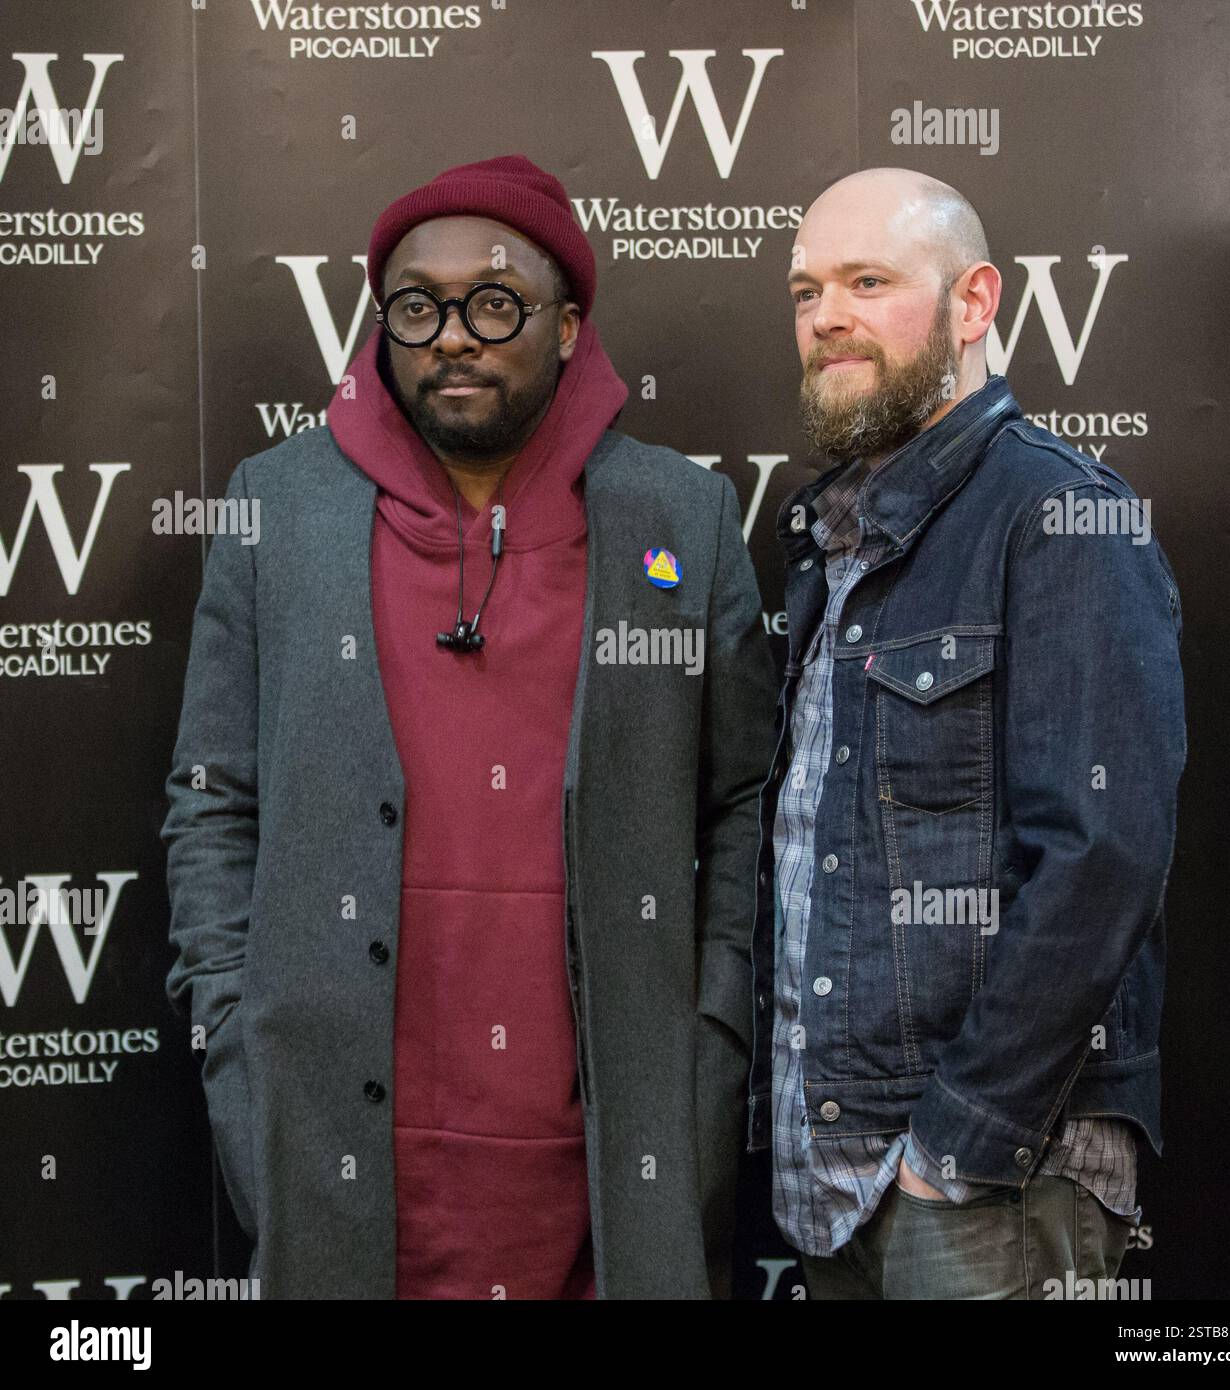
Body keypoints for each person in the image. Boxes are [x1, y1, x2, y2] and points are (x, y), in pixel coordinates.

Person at [162, 154, 774, 1299]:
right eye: (416, 306)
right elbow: (213, 797)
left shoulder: (678, 517)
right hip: (339, 1169)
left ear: (568, 322)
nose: (452, 335)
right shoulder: (277, 509)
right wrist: (238, 1041)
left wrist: (713, 1033)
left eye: (494, 304)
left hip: (613, 1173)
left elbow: (742, 798)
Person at [745, 167, 1186, 1299]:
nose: (826, 315)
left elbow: (1103, 857)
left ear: (975, 302)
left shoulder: (1059, 517)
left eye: (868, 280)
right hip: (837, 1187)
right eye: (805, 290)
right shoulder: (830, 539)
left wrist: (956, 1146)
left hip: (990, 1184)